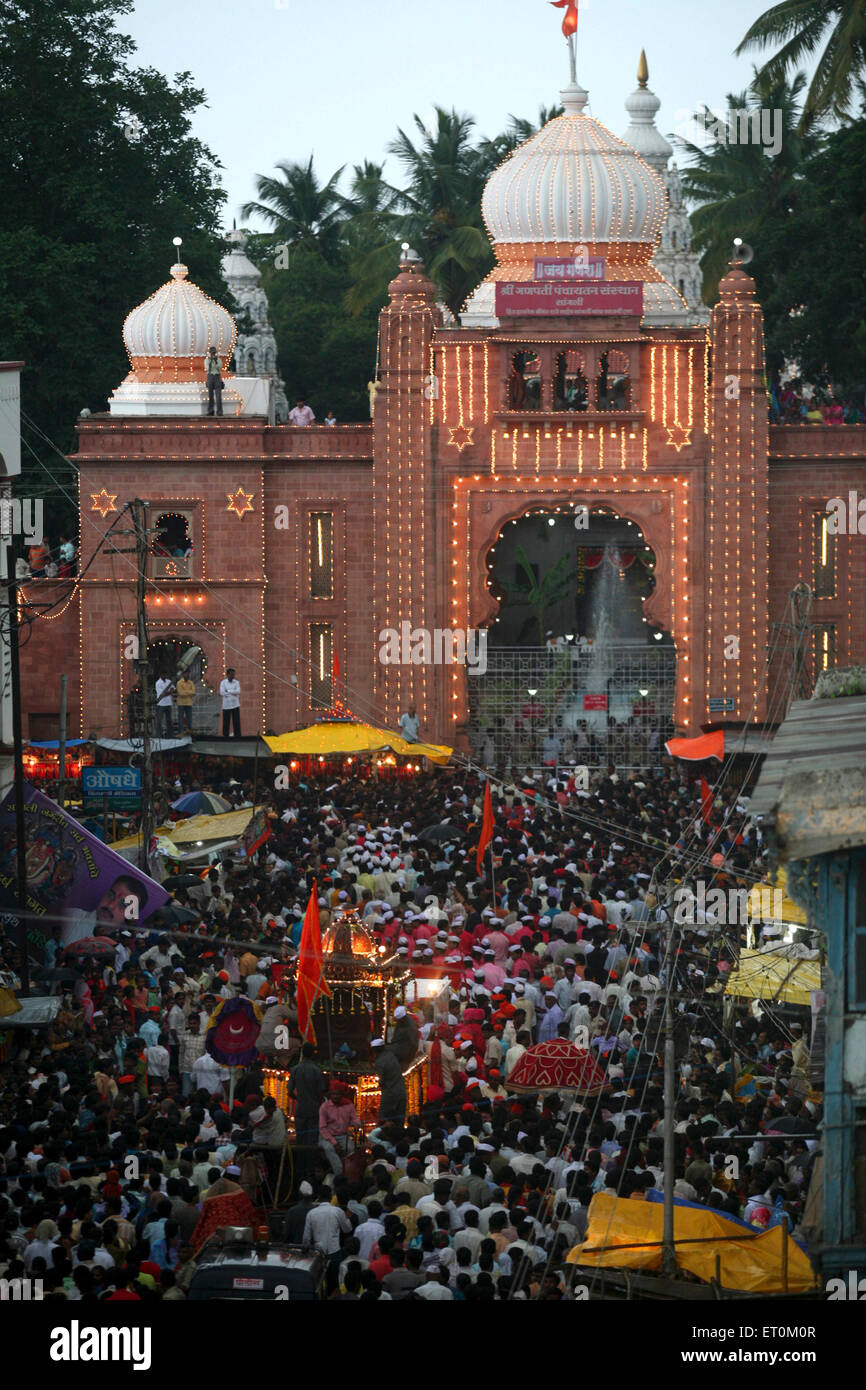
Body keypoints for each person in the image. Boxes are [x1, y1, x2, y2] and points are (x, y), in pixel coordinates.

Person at [289, 1042, 327, 1176]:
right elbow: (321, 1091)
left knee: (300, 1140)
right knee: (312, 1141)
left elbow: (289, 1091)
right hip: (314, 1111)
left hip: (300, 1110)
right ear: (312, 1054)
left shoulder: (295, 1069)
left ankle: (299, 1170)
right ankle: (309, 1170)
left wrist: (299, 1099)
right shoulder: (316, 1070)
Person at [373, 1038, 406, 1127]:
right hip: (402, 1092)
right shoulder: (392, 1055)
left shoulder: (380, 1062)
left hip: (390, 1094)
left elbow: (382, 1080)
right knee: (399, 1120)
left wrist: (379, 1083)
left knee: (383, 1120)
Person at [219, 668, 241, 738]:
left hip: (235, 705)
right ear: (227, 675)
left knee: (236, 722)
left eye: (233, 674)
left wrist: (228, 691)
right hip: (226, 705)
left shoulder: (237, 682)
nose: (233, 676)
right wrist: (232, 692)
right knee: (226, 722)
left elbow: (238, 691)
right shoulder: (223, 683)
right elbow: (222, 693)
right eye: (231, 674)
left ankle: (238, 736)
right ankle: (225, 736)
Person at [155, 674, 175, 738]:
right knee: (159, 720)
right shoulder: (158, 683)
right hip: (161, 704)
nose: (165, 676)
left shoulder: (169, 681)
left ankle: (170, 735)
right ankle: (158, 735)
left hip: (168, 703)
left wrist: (169, 692)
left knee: (169, 720)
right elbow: (162, 694)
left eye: (165, 674)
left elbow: (173, 688)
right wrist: (169, 692)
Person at [205, 346, 223, 417]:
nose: (213, 354)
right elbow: (207, 368)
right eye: (212, 353)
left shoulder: (218, 360)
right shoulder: (207, 360)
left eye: (214, 353)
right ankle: (211, 411)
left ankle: (219, 411)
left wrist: (215, 361)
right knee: (210, 395)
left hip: (217, 377)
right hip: (210, 377)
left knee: (218, 396)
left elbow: (219, 367)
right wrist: (211, 361)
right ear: (210, 353)